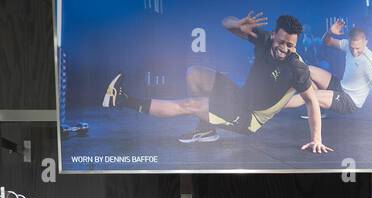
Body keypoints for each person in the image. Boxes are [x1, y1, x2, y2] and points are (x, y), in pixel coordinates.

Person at [102, 11, 332, 154]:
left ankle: (122, 100)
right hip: (240, 96)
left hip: (248, 118)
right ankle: (205, 130)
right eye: (282, 42)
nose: (284, 49)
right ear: (274, 35)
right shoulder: (264, 39)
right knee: (195, 73)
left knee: (189, 104)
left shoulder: (296, 67)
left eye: (290, 46)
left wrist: (316, 139)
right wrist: (239, 22)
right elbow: (226, 23)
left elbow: (311, 102)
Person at [286, 22, 372, 125]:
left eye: (358, 48)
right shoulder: (347, 44)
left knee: (309, 95)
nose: (355, 52)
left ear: (366, 42)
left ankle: (272, 105)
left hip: (349, 101)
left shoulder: (370, 62)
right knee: (307, 69)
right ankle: (318, 108)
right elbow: (327, 41)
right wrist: (330, 32)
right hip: (340, 86)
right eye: (352, 48)